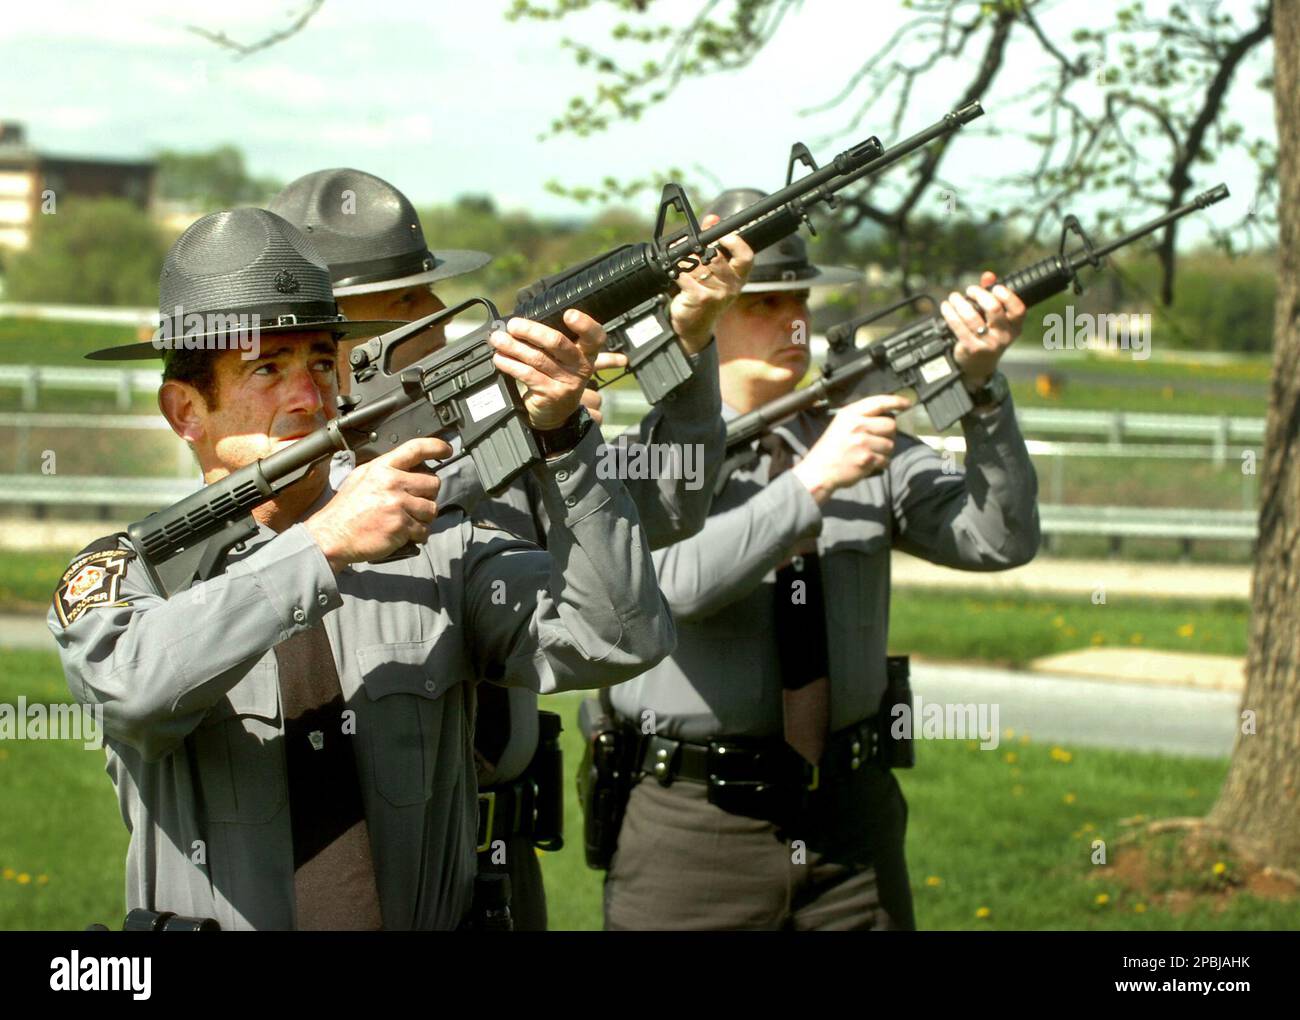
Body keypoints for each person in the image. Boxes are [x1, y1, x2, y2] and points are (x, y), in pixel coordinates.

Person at [48, 206, 676, 930]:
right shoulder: (127, 578)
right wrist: (320, 548)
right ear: (184, 409)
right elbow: (133, 690)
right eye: (267, 368)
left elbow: (617, 636)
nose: (308, 396)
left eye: (320, 362)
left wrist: (566, 440)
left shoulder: (439, 545)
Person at [269, 167, 751, 929]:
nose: (437, 314)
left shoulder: (494, 435)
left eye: (430, 292)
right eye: (405, 301)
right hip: (359, 862)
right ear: (339, 338)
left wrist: (677, 348)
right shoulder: (284, 486)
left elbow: (664, 506)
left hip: (499, 856)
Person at [601, 188, 1041, 931]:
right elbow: (673, 586)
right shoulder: (653, 460)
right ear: (706, 314)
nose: (793, 320)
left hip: (849, 819)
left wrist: (982, 392)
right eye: (763, 304)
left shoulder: (861, 443)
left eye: (799, 299)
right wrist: (810, 486)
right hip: (695, 824)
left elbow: (997, 538)